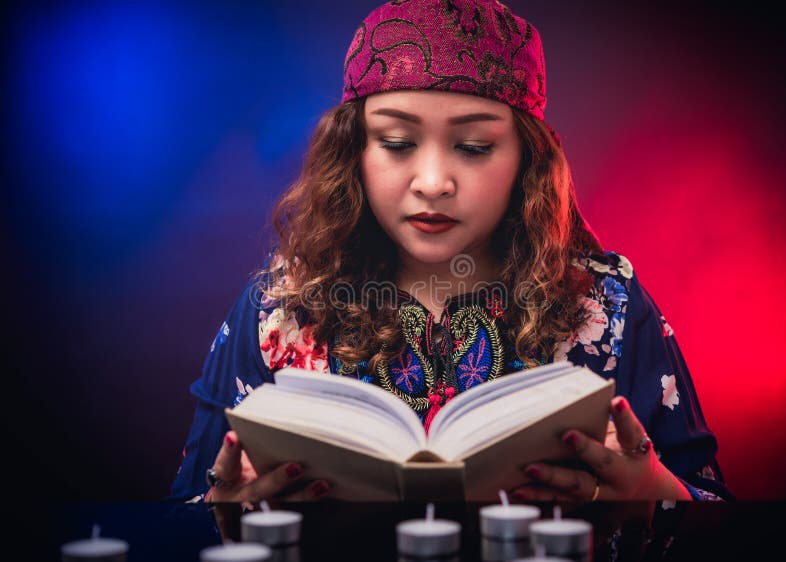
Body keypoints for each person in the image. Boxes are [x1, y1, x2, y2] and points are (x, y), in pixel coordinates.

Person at [169, 0, 732, 506]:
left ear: (527, 160)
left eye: (473, 147)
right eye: (396, 143)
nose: (434, 182)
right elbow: (182, 511)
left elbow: (722, 517)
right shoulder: (279, 312)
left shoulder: (607, 307)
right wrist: (226, 514)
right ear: (354, 152)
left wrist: (654, 493)